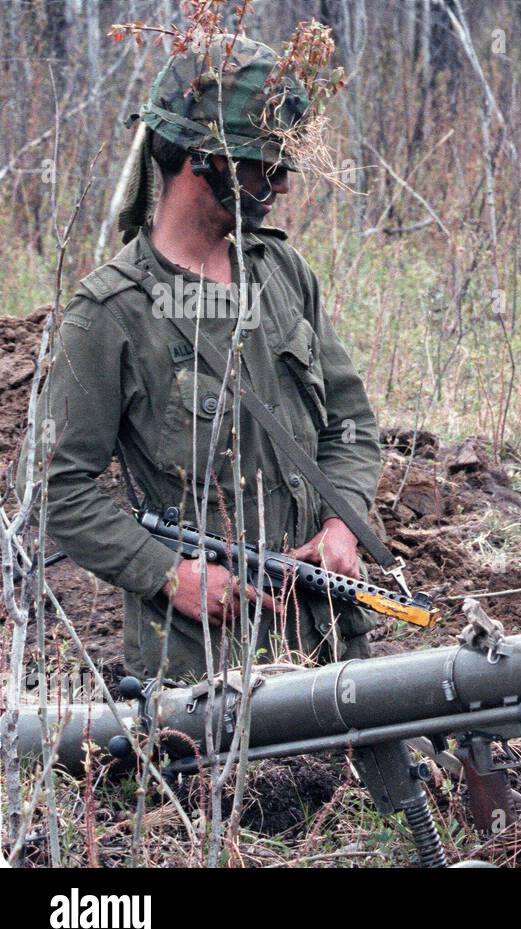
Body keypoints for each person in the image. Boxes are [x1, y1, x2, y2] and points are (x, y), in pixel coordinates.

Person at [30, 35, 380, 681]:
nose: (280, 186)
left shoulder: (282, 273)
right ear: (203, 160)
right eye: (265, 167)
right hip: (205, 656)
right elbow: (59, 487)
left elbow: (350, 424)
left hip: (328, 630)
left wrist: (342, 523)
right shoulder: (110, 313)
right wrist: (167, 574)